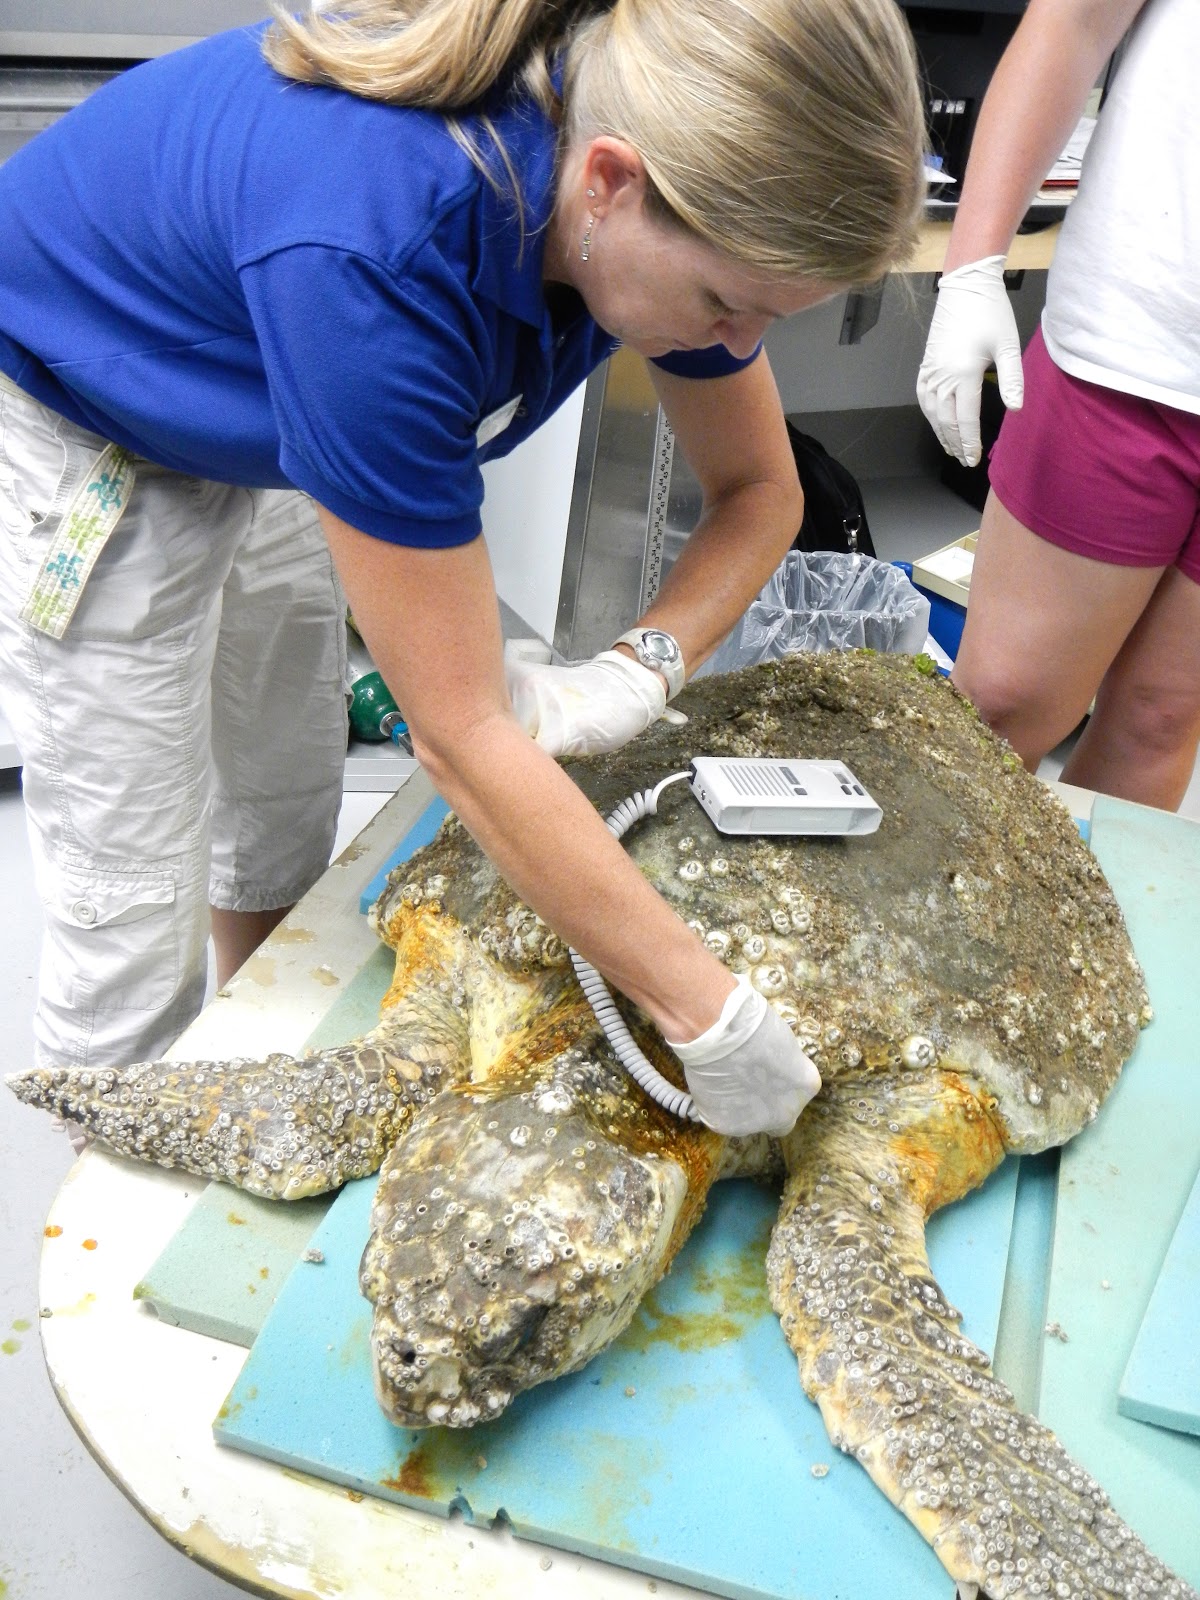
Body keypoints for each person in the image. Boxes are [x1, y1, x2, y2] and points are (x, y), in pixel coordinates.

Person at [0, 0, 925, 1137]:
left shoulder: (638, 172)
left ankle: (260, 1067)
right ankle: (104, 1190)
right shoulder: (377, 255)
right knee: (133, 892)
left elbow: (762, 492)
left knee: (281, 797)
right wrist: (705, 1011)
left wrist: (642, 666)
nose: (738, 344)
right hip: (85, 400)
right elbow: (459, 735)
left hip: (268, 370)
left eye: (770, 316)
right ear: (609, 184)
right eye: (728, 305)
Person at [917, 0, 1200, 812]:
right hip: (1132, 344)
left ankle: (1084, 903)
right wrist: (971, 265)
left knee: (1160, 718)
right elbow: (1072, 23)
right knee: (1001, 708)